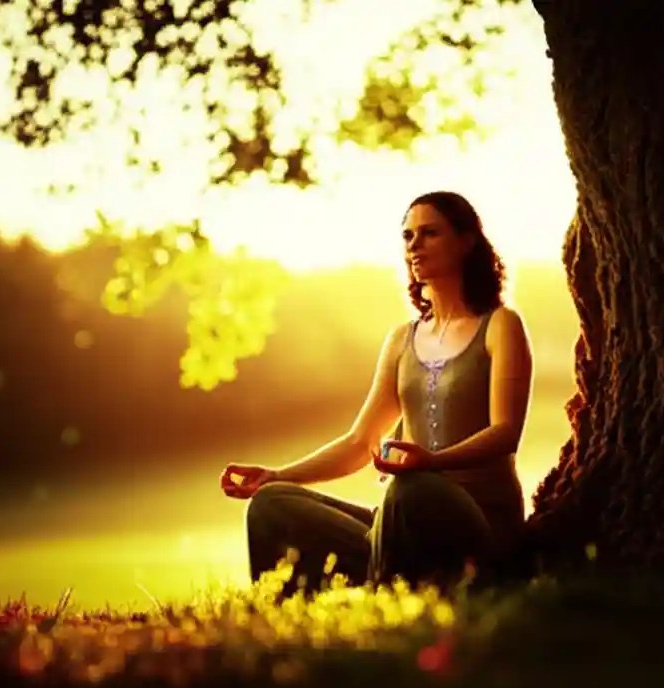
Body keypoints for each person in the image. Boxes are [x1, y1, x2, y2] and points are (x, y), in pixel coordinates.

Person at [220, 191, 533, 594]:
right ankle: (288, 615)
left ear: (466, 241)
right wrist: (276, 474)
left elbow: (506, 433)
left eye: (430, 233)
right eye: (408, 236)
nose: (414, 245)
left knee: (411, 487)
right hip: (398, 521)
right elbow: (360, 442)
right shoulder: (402, 339)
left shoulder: (500, 324)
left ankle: (386, 597)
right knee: (272, 503)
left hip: (478, 527)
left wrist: (431, 462)